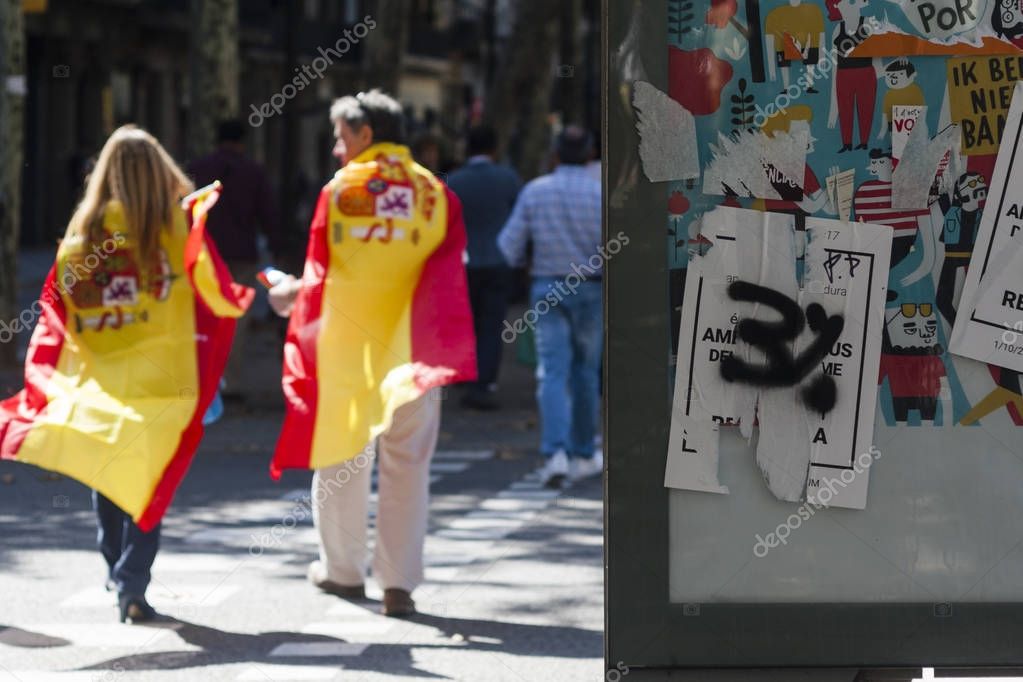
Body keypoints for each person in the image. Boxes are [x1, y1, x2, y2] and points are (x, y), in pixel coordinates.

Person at [0, 126, 252, 623]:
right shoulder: (177, 230)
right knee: (149, 484)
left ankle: (117, 570)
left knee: (109, 475)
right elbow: (217, 294)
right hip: (165, 383)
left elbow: (58, 310)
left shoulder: (82, 238)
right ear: (161, 172)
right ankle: (133, 582)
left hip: (102, 382)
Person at [267, 90, 476, 617]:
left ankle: (342, 572)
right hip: (412, 356)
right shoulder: (435, 194)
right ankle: (398, 584)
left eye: (341, 138)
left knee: (341, 456)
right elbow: (448, 279)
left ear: (365, 134)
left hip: (346, 352)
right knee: (408, 465)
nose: (337, 150)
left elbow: (322, 275)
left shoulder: (339, 191)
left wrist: (290, 295)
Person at [497, 126, 603, 488]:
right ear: (590, 154)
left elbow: (508, 245)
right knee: (586, 372)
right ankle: (583, 452)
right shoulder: (600, 193)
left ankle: (554, 452)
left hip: (547, 287)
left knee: (552, 371)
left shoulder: (535, 191)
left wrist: (526, 263)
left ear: (555, 154)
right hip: (590, 287)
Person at [189, 119, 282, 400]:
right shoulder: (253, 171)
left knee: (203, 314)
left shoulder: (199, 168)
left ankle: (202, 381)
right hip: (241, 253)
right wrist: (276, 245)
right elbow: (268, 213)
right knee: (236, 319)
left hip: (203, 254)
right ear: (242, 142)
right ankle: (229, 383)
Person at [447, 126, 522, 410]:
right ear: (494, 148)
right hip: (498, 261)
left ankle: (463, 372)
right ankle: (484, 383)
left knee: (465, 323)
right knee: (491, 326)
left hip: (462, 262)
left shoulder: (454, 181)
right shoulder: (508, 179)